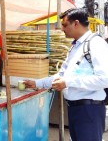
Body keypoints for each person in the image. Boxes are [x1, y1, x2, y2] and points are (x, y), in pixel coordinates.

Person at [24, 8, 108, 141]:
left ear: (76, 23)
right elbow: (62, 75)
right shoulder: (76, 47)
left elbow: (105, 79)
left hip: (89, 110)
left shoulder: (96, 44)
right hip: (75, 109)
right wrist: (37, 83)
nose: (62, 29)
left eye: (64, 25)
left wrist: (68, 82)